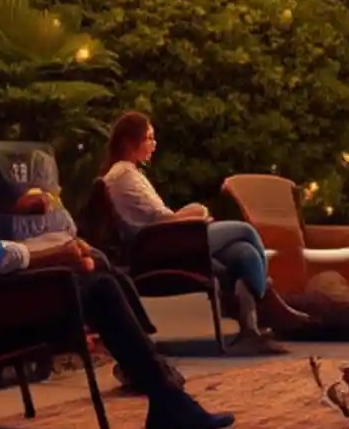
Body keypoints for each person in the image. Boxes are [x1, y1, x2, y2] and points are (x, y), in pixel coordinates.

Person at [0, 86, 233, 429]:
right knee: (97, 284)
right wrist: (44, 256)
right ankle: (163, 391)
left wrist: (39, 252)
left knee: (90, 264)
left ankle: (156, 379)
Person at [101, 112, 309, 348]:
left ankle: (251, 328)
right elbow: (161, 219)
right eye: (149, 138)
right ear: (130, 142)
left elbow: (156, 216)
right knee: (246, 232)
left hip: (168, 238)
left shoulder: (129, 173)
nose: (154, 144)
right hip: (165, 245)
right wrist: (195, 213)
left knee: (244, 252)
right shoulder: (124, 175)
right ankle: (268, 305)